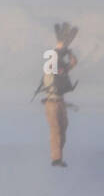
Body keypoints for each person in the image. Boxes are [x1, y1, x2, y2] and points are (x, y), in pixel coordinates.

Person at [33, 23, 78, 166]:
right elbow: (53, 59)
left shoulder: (62, 69)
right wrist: (60, 47)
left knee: (63, 130)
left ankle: (59, 156)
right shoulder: (50, 69)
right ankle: (56, 158)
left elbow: (73, 62)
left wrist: (68, 51)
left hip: (60, 103)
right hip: (51, 103)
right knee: (56, 130)